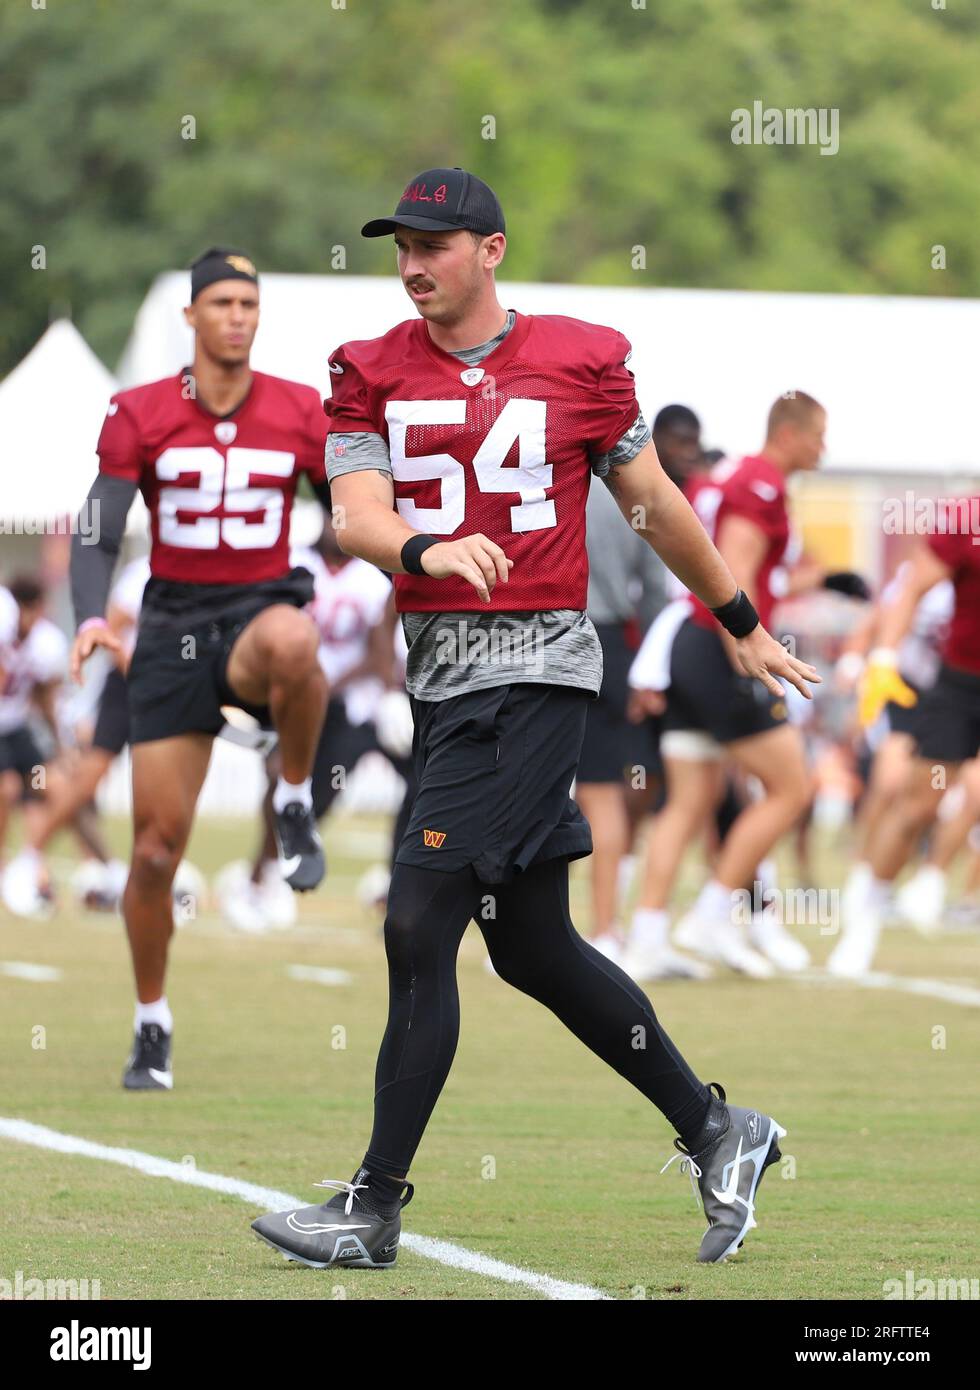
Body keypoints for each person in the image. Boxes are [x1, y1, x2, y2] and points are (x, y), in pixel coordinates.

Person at [251, 168, 817, 1270]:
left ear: (490, 250)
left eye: (434, 245)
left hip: (535, 672)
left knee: (418, 925)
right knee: (532, 947)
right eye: (400, 247)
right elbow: (359, 513)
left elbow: (652, 505)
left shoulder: (577, 358)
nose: (413, 266)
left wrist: (737, 617)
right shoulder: (367, 372)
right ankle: (719, 1129)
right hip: (443, 682)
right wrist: (421, 548)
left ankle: (371, 1204)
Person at [69, 247, 332, 1089]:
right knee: (153, 853)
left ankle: (291, 793)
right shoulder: (140, 411)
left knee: (296, 639)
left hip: (258, 614)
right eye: (220, 302)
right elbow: (99, 526)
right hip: (173, 625)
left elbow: (353, 515)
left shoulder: (300, 410)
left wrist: (413, 569)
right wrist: (86, 614)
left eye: (248, 304)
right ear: (191, 315)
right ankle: (152, 1020)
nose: (237, 317)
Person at [829, 501, 980, 974]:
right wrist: (880, 660)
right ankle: (865, 921)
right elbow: (910, 590)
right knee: (916, 802)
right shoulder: (967, 520)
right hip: (959, 683)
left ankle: (935, 878)